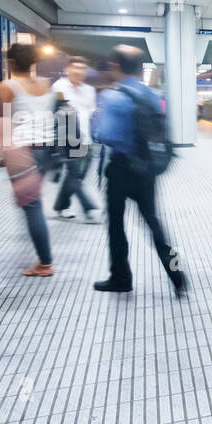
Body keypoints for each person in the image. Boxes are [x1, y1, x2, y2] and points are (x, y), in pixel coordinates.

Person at [91, 45, 185, 295]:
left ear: (116, 67)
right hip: (147, 168)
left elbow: (104, 135)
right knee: (154, 224)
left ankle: (120, 278)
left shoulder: (111, 97)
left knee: (116, 225)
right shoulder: (152, 94)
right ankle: (176, 271)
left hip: (121, 168)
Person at [0, 42, 54, 277]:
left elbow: (5, 123)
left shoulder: (8, 86)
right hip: (46, 150)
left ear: (10, 63)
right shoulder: (46, 84)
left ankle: (45, 263)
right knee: (32, 204)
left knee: (33, 208)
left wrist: (4, 154)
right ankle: (40, 252)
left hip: (22, 152)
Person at [50, 55, 98, 222]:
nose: (79, 72)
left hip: (86, 139)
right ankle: (89, 208)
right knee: (74, 175)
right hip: (68, 140)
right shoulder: (59, 88)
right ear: (67, 69)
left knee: (77, 176)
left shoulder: (89, 90)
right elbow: (55, 114)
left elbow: (92, 113)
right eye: (75, 68)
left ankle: (60, 206)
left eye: (83, 68)